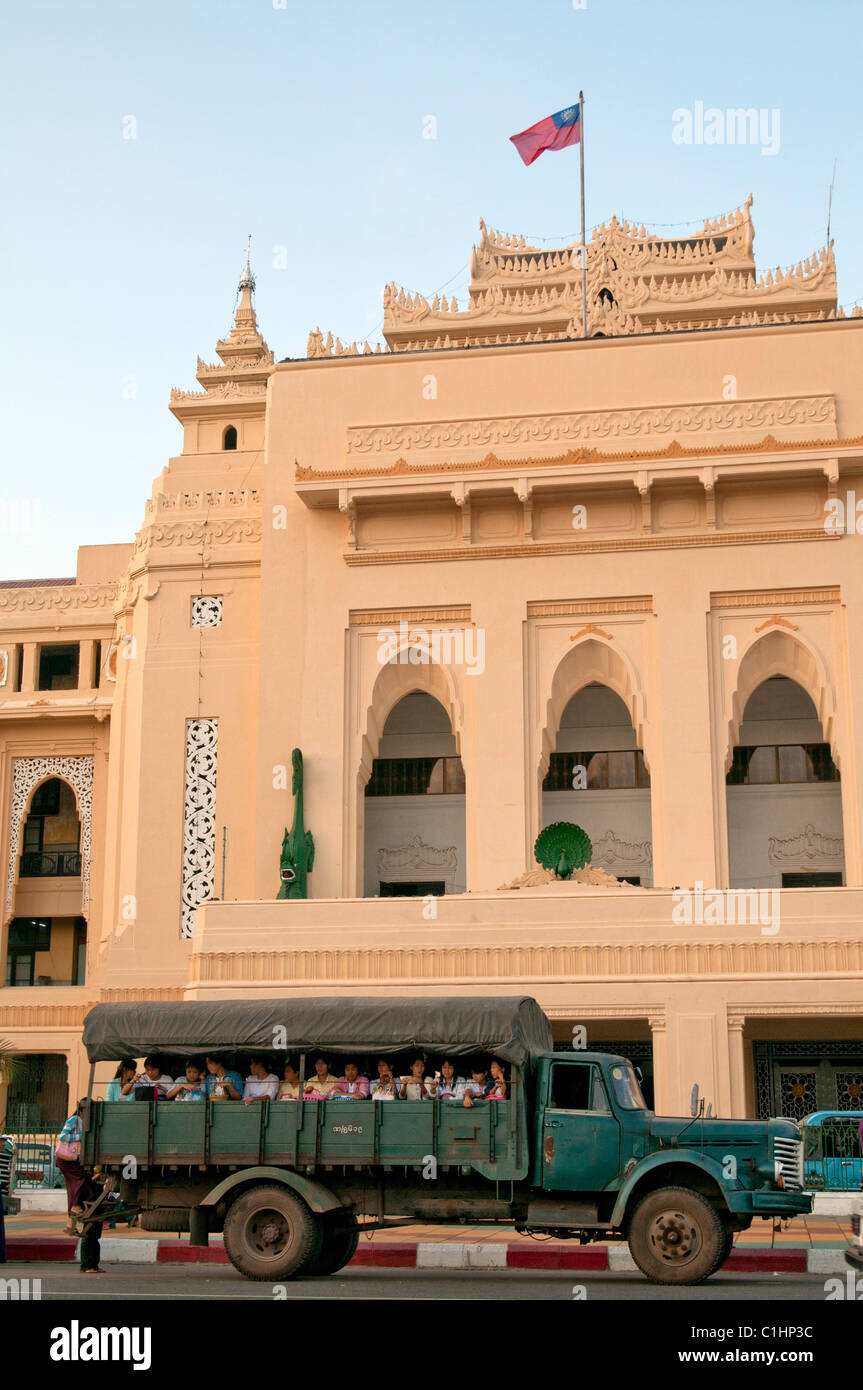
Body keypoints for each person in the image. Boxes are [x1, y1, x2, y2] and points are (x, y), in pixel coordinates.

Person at [56, 1099, 100, 1236]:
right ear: (81, 1111)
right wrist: (82, 1136)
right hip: (66, 1159)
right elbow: (62, 1136)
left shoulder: (84, 1122)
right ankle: (75, 1207)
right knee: (80, 1180)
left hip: (74, 1160)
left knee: (76, 1186)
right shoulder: (73, 1120)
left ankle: (71, 1225)